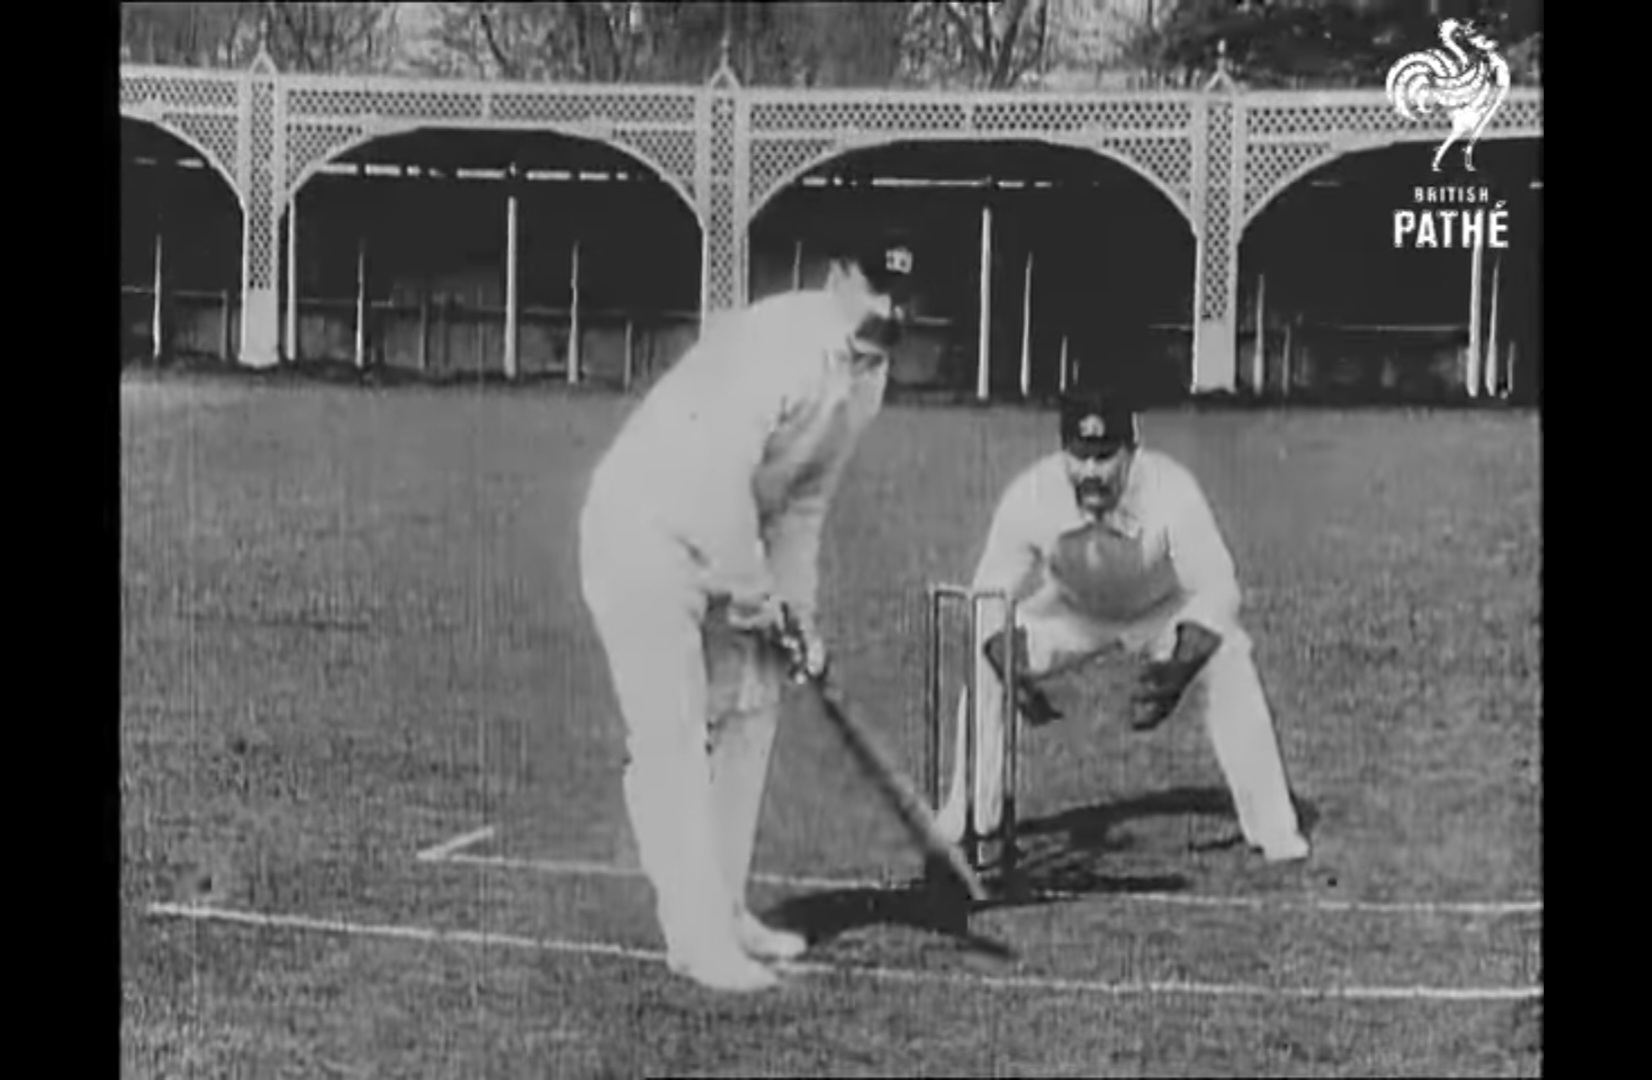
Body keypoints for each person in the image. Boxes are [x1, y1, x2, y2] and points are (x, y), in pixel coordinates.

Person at [577, 236, 915, 992]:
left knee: (757, 703)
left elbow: (804, 504)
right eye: (876, 290)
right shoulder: (777, 345)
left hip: (732, 541)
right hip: (645, 532)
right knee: (672, 735)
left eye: (903, 296)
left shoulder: (870, 378)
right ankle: (696, 940)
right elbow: (715, 481)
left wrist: (801, 618)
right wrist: (759, 598)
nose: (890, 310)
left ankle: (726, 908)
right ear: (837, 278)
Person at [935, 389, 1311, 865]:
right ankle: (970, 811)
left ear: (1132, 453)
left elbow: (1218, 590)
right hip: (1071, 611)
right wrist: (1012, 667)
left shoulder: (1172, 492)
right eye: (1079, 455)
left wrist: (1174, 676)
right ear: (1062, 451)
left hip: (1161, 608)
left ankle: (1274, 828)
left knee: (1231, 654)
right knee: (984, 658)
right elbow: (987, 596)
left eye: (1105, 456)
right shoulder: (1031, 495)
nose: (1091, 471)